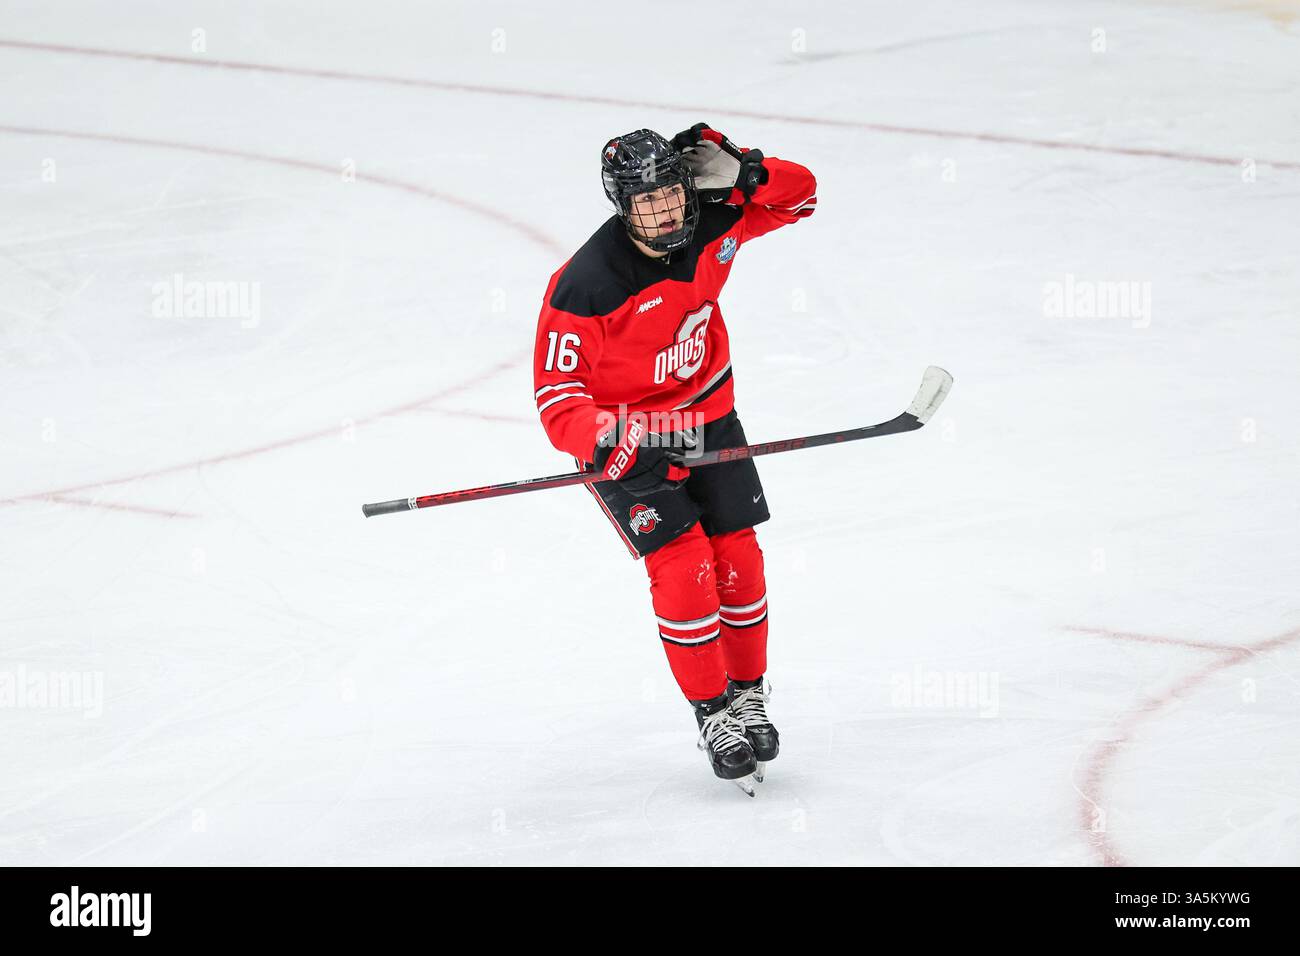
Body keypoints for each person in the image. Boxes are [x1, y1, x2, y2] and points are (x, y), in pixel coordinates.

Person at [532, 124, 817, 794]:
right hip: (627, 436)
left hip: (708, 415)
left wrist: (746, 172)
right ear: (621, 206)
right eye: (646, 203)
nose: (663, 213)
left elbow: (800, 197)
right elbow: (555, 397)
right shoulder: (586, 284)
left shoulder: (715, 221)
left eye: (671, 195)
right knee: (684, 565)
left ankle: (749, 695)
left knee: (739, 555)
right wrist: (604, 439)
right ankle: (713, 711)